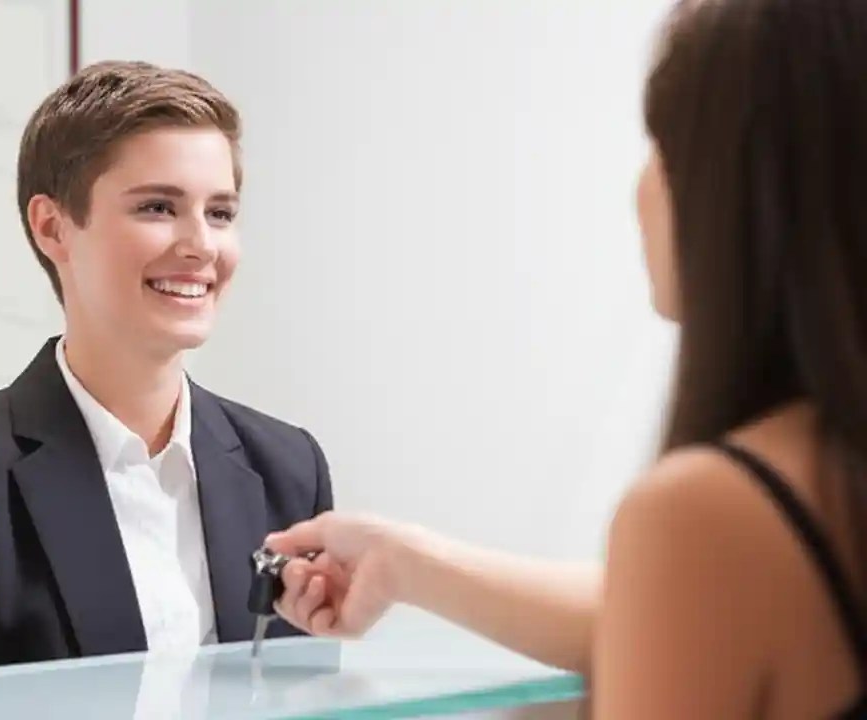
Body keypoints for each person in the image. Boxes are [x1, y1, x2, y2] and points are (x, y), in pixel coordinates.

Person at [266, 0, 867, 716]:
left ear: (738, 189)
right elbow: (655, 613)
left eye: (662, 144)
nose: (641, 186)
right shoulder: (806, 493)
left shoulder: (710, 512)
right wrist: (404, 564)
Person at [0, 60, 333, 677]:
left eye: (220, 213)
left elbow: (311, 700)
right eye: (158, 207)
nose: (201, 245)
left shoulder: (289, 468)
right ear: (53, 227)